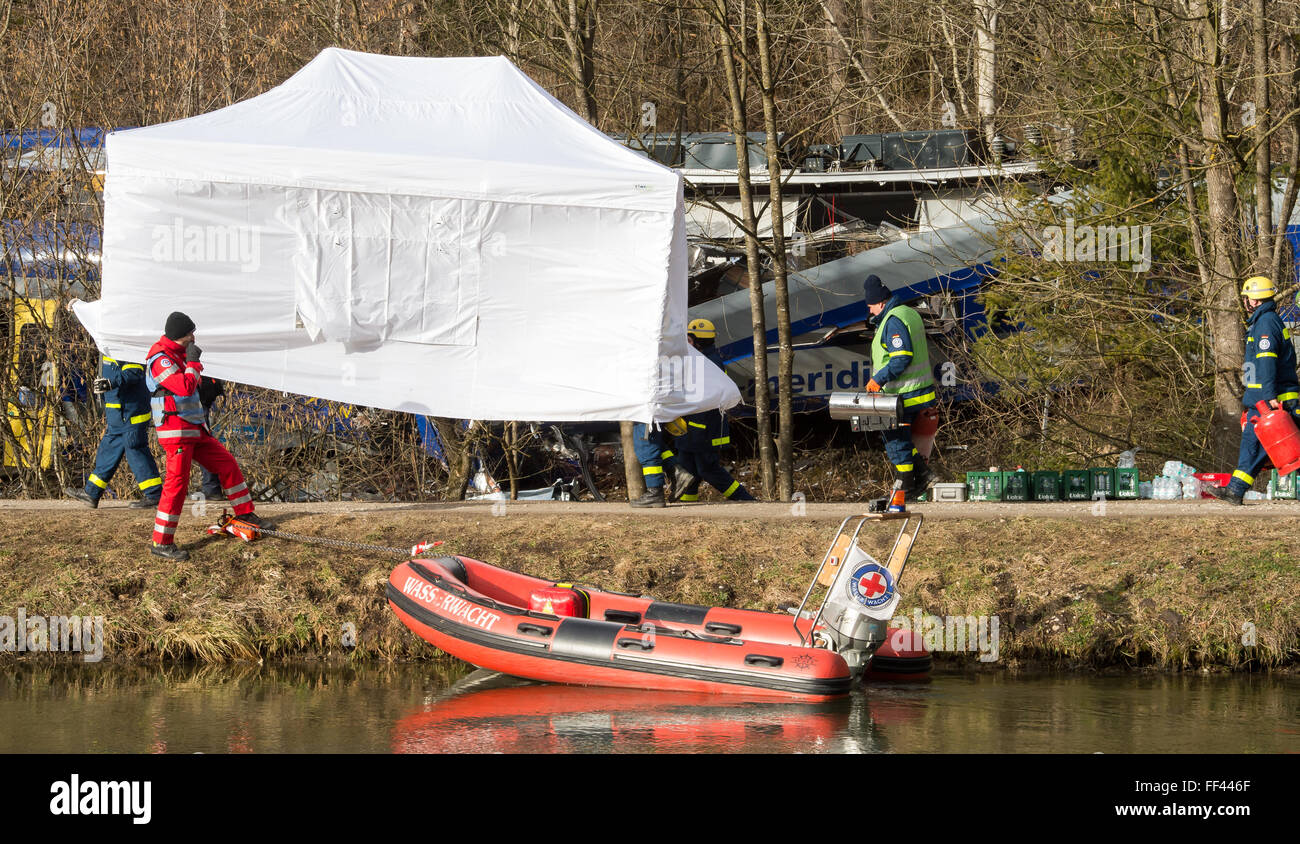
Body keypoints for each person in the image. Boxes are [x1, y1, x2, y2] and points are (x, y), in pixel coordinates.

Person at [145, 312, 269, 560]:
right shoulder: (160, 360)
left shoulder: (178, 356)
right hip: (177, 433)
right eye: (190, 333)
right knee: (176, 485)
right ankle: (162, 542)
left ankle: (244, 514)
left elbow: (194, 389)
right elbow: (184, 386)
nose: (194, 337)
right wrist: (193, 364)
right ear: (180, 335)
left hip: (194, 429)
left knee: (227, 464)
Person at [1208, 276, 1300, 505]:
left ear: (1256, 300)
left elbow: (1267, 363)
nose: (1246, 301)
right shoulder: (1263, 322)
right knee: (1259, 447)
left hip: (1268, 400)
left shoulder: (1266, 324)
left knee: (1270, 447)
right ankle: (1235, 490)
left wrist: (1269, 398)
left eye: (1247, 297)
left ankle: (1235, 491)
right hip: (1262, 399)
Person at [861, 274, 936, 499]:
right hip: (917, 391)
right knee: (900, 438)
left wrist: (878, 380)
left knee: (894, 439)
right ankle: (922, 476)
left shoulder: (892, 319)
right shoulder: (908, 313)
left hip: (904, 393)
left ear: (881, 302)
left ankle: (907, 485)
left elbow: (901, 356)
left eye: (872, 306)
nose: (871, 311)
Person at [63, 355, 163, 509]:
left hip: (129, 414)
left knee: (135, 450)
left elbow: (134, 372)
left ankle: (155, 494)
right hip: (118, 416)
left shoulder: (123, 348)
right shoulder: (108, 348)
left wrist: (110, 383)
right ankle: (91, 493)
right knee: (108, 452)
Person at [672, 318, 754, 502]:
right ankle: (687, 505)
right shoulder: (701, 359)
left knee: (707, 468)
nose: (686, 343)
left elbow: (706, 399)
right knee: (688, 468)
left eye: (689, 339)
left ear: (699, 342)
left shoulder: (708, 363)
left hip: (703, 428)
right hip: (692, 427)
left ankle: (744, 499)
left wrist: (695, 425)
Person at [198, 376, 226, 501]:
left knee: (203, 445)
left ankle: (212, 489)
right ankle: (212, 488)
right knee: (203, 445)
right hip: (202, 395)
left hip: (198, 398)